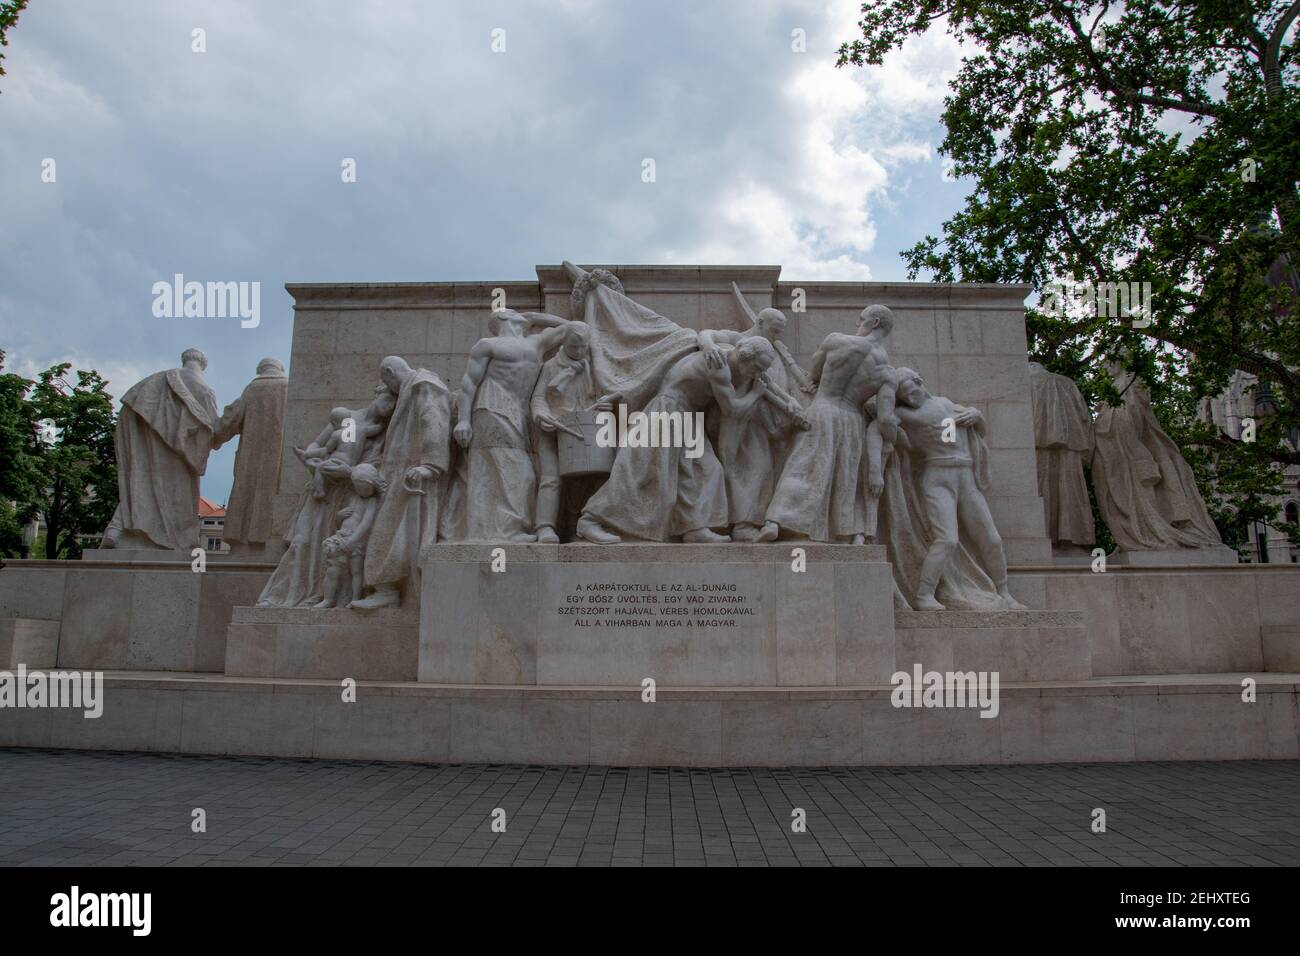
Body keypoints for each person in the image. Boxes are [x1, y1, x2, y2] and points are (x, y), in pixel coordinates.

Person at [577, 337, 777, 543]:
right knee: (638, 472)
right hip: (669, 412)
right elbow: (732, 409)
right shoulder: (720, 367)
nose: (759, 373)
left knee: (707, 470)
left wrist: (707, 340)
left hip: (686, 415)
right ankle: (590, 520)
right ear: (745, 356)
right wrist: (755, 393)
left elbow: (704, 333)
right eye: (758, 367)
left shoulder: (724, 350)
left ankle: (694, 528)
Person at [760, 305, 898, 542]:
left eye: (861, 318)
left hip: (823, 409)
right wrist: (892, 440)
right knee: (845, 481)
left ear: (875, 322)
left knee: (802, 467)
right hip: (852, 422)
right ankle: (844, 532)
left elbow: (814, 372)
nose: (857, 323)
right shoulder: (888, 373)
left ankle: (775, 521)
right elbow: (886, 419)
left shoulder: (837, 340)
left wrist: (811, 381)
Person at [891, 369, 1025, 611]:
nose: (912, 399)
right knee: (947, 539)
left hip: (966, 477)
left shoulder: (947, 403)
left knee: (991, 538)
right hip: (938, 476)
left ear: (920, 382)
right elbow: (878, 413)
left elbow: (979, 432)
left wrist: (978, 416)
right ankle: (924, 594)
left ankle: (1004, 592)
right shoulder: (905, 414)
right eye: (906, 397)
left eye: (912, 392)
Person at [455, 308, 577, 541]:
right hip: (491, 406)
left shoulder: (537, 342)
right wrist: (463, 420)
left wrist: (534, 317)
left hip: (520, 413)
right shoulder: (488, 344)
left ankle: (506, 530)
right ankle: (506, 532)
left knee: (518, 472)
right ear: (502, 318)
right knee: (511, 470)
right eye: (515, 312)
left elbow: (570, 328)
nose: (523, 315)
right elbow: (469, 383)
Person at [101, 348, 218, 551]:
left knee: (139, 482)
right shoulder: (204, 390)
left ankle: (116, 529)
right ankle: (171, 540)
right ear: (203, 364)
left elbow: (133, 405)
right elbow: (214, 430)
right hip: (175, 448)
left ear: (185, 360)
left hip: (140, 430)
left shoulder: (156, 379)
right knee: (174, 492)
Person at [212, 357, 289, 554]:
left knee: (247, 494)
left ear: (260, 369)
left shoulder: (253, 389)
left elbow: (231, 420)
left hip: (250, 456)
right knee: (273, 494)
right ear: (280, 369)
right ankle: (270, 543)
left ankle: (242, 545)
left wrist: (212, 435)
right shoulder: (289, 387)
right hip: (281, 457)